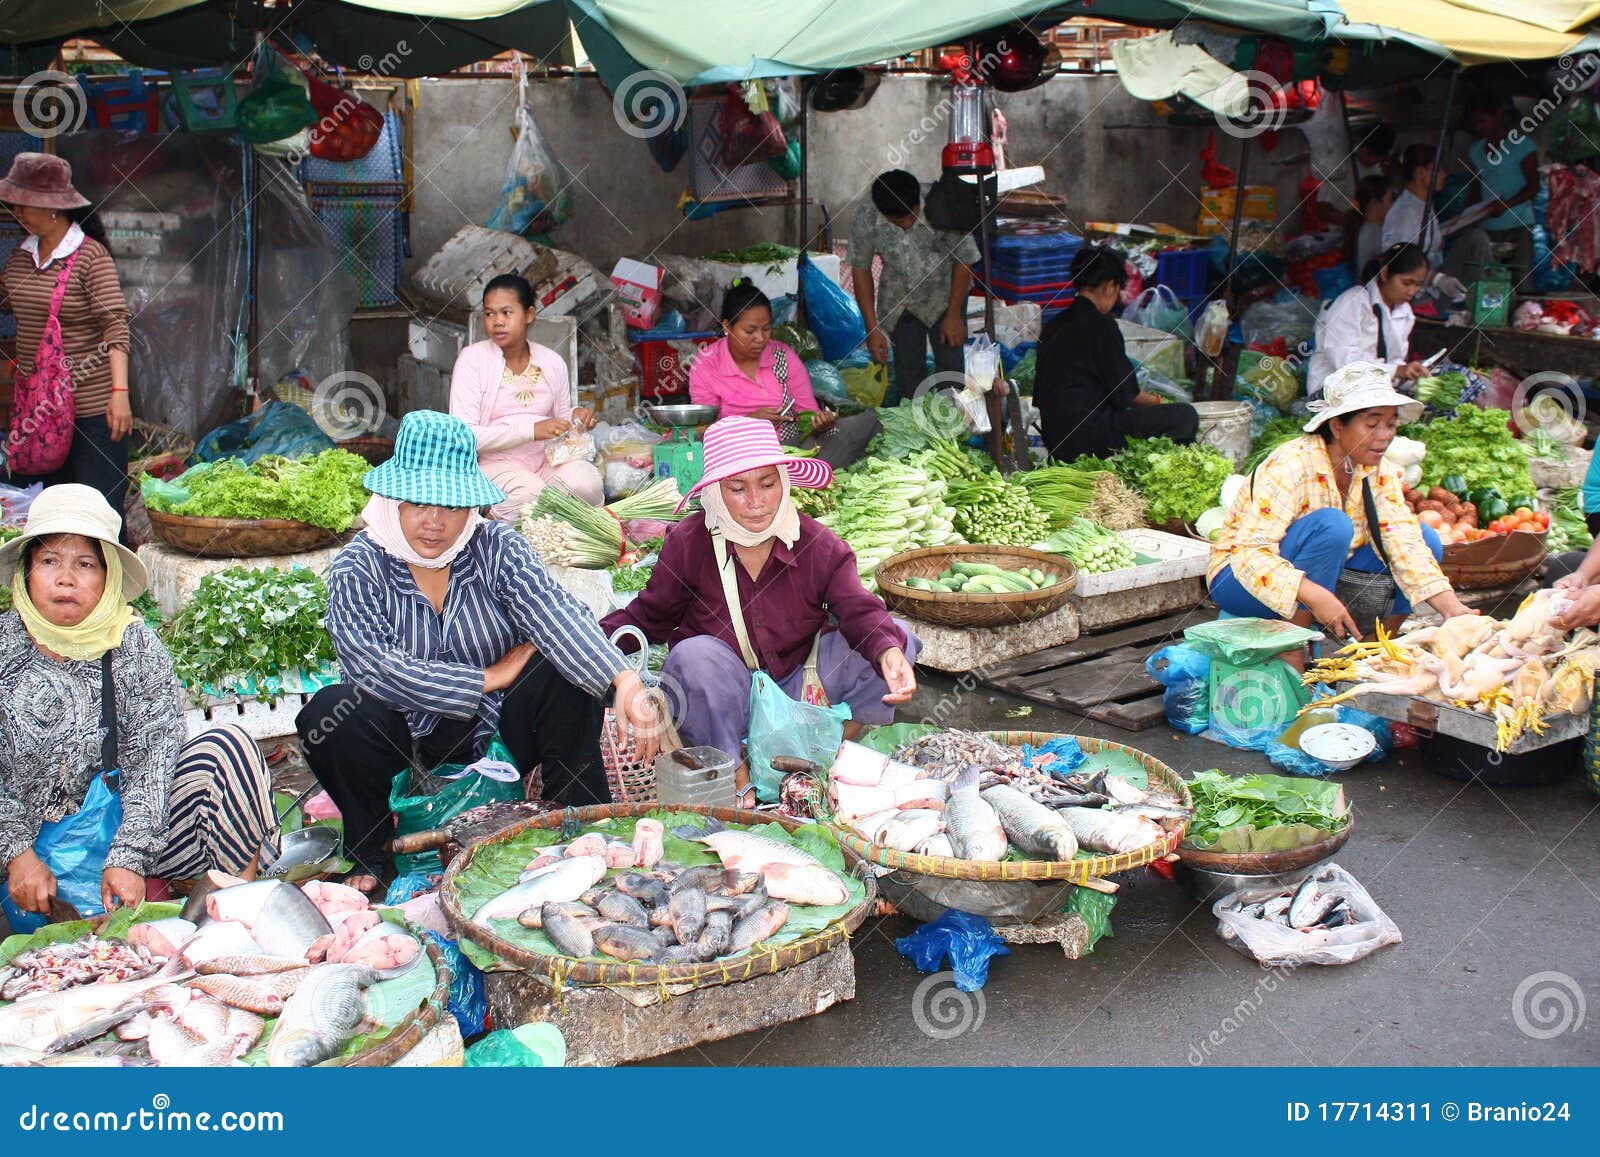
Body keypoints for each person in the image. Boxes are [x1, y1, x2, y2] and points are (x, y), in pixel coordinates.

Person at [297, 411, 657, 888]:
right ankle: (372, 856)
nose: (434, 521)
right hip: (405, 738)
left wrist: (623, 679)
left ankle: (580, 823)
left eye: (450, 504)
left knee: (558, 668)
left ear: (471, 506)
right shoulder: (358, 566)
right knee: (332, 714)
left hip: (496, 731)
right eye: (419, 502)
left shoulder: (495, 547)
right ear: (393, 500)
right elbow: (373, 667)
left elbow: (553, 608)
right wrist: (485, 677)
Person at [601, 417, 920, 807]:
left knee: (898, 640)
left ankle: (820, 749)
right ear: (716, 492)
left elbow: (858, 609)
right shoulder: (690, 543)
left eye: (768, 485)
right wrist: (576, 638)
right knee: (693, 656)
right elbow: (649, 616)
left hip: (799, 690)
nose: (756, 502)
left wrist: (888, 651)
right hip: (724, 699)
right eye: (738, 489)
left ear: (783, 483)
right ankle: (735, 769)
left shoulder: (817, 544)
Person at [0, 485, 273, 924]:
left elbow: (155, 754)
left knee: (228, 750)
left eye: (84, 564)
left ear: (108, 577)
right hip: (20, 849)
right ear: (28, 571)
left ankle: (234, 918)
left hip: (131, 834)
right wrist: (17, 854)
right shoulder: (4, 649)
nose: (65, 579)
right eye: (50, 561)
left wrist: (128, 853)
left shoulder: (133, 644)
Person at [1208, 363, 1476, 645]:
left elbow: (1401, 537)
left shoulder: (1377, 471)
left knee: (1425, 539)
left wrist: (1452, 607)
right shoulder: (1291, 464)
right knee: (1332, 526)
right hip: (1240, 578)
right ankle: (1292, 651)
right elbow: (1250, 553)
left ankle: (1375, 645)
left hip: (1325, 575)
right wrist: (1312, 594)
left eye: (1391, 424)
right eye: (1372, 424)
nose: (1385, 435)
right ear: (1337, 425)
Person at [0, 154, 133, 516]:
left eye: (24, 204)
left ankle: (106, 573)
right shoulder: (21, 258)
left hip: (90, 408)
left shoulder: (91, 257)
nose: (16, 210)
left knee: (97, 512)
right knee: (47, 510)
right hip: (38, 409)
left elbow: (116, 326)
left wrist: (119, 394)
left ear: (54, 209)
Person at [449, 274, 601, 523]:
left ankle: (559, 537)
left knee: (586, 482)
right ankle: (497, 526)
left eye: (506, 313)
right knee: (529, 494)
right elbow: (463, 436)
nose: (497, 322)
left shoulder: (552, 362)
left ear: (529, 314)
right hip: (493, 466)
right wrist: (530, 430)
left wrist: (575, 418)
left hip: (547, 463)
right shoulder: (472, 360)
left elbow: (562, 425)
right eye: (489, 314)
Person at [688, 280, 880, 468]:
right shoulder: (706, 364)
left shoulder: (783, 356)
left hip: (791, 447)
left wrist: (820, 422)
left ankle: (795, 472)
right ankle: (794, 475)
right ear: (727, 327)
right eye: (750, 331)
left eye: (766, 329)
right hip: (735, 453)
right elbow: (702, 430)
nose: (760, 338)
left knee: (866, 421)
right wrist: (749, 423)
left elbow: (808, 414)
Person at [1033, 245, 1199, 462]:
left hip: (1054, 437)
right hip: (1089, 438)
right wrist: (1160, 402)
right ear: (1110, 287)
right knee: (1185, 416)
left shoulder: (1054, 324)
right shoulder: (1102, 327)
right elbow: (1128, 396)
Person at [848, 169, 978, 406]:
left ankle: (953, 432)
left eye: (912, 215)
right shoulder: (865, 216)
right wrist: (872, 328)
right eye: (898, 222)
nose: (908, 224)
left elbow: (964, 259)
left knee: (952, 380)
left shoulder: (942, 205)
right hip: (900, 304)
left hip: (945, 298)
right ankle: (918, 435)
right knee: (910, 386)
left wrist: (953, 314)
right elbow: (860, 270)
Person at [1308, 243, 1429, 398]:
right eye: (1406, 283)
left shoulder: (1404, 312)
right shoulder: (1352, 302)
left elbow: (1395, 359)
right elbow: (1344, 365)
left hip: (1375, 388)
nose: (1412, 291)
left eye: (1418, 285)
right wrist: (1396, 371)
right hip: (1333, 390)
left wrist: (1407, 373)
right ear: (1385, 274)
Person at [1382, 144, 1489, 291]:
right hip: (1416, 292)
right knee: (1477, 238)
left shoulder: (1424, 205)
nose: (1444, 174)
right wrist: (1436, 279)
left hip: (1433, 281)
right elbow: (1399, 264)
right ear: (1420, 173)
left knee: (1475, 237)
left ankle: (1475, 294)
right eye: (1438, 170)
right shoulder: (1403, 214)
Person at [1464, 91, 1541, 276]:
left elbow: (1533, 186)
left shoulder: (1522, 145)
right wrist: (1470, 214)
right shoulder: (1475, 150)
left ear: (1498, 116)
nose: (1479, 127)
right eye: (1475, 123)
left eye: (1483, 121)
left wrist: (1505, 206)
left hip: (1518, 225)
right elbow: (1476, 185)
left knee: (1520, 279)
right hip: (1487, 229)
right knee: (1490, 284)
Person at [1349, 175, 1396, 278]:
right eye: (1391, 200)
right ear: (1374, 204)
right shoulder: (1372, 232)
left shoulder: (1373, 228)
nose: (1394, 205)